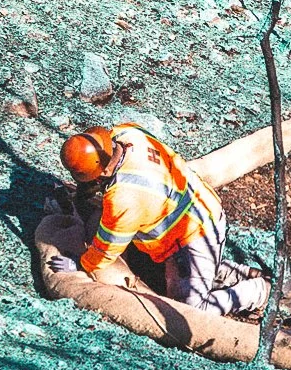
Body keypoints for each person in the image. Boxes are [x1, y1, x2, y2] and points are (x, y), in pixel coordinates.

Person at [61, 123, 269, 317]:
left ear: (103, 171)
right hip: (203, 207)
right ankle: (236, 273)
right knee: (193, 269)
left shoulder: (124, 199)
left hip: (192, 237)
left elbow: (107, 249)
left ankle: (261, 291)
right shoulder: (129, 133)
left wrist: (80, 265)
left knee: (191, 310)